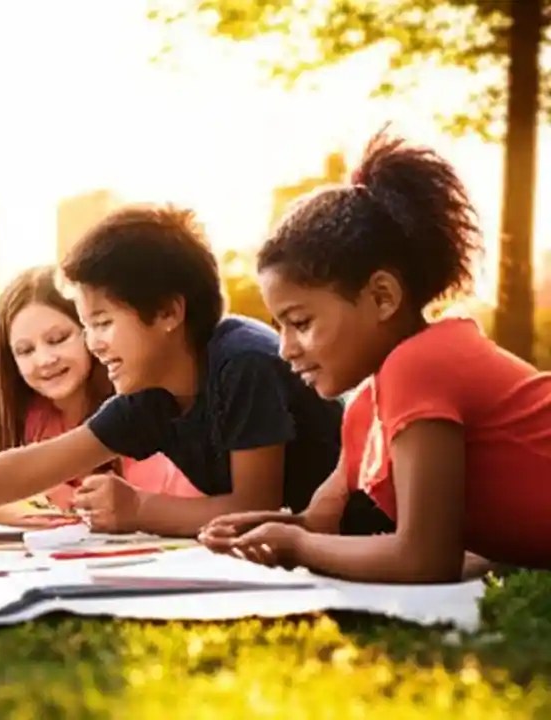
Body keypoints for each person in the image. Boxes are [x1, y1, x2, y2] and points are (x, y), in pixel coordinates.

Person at [0, 204, 391, 538]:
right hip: (305, 540)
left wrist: (141, 509)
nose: (94, 343)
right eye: (87, 324)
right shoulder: (152, 396)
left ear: (168, 313)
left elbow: (253, 504)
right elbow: (39, 463)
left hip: (367, 527)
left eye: (101, 322)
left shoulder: (244, 363)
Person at [200, 130, 551, 582]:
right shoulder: (367, 406)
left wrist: (300, 546)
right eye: (279, 327)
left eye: (301, 322)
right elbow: (320, 524)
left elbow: (426, 558)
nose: (285, 349)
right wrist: (270, 529)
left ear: (382, 296)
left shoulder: (420, 365)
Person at [0, 266, 200, 529]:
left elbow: (157, 502)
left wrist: (42, 502)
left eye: (57, 339)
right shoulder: (11, 412)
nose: (44, 359)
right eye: (25, 350)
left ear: (90, 332)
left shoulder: (134, 408)